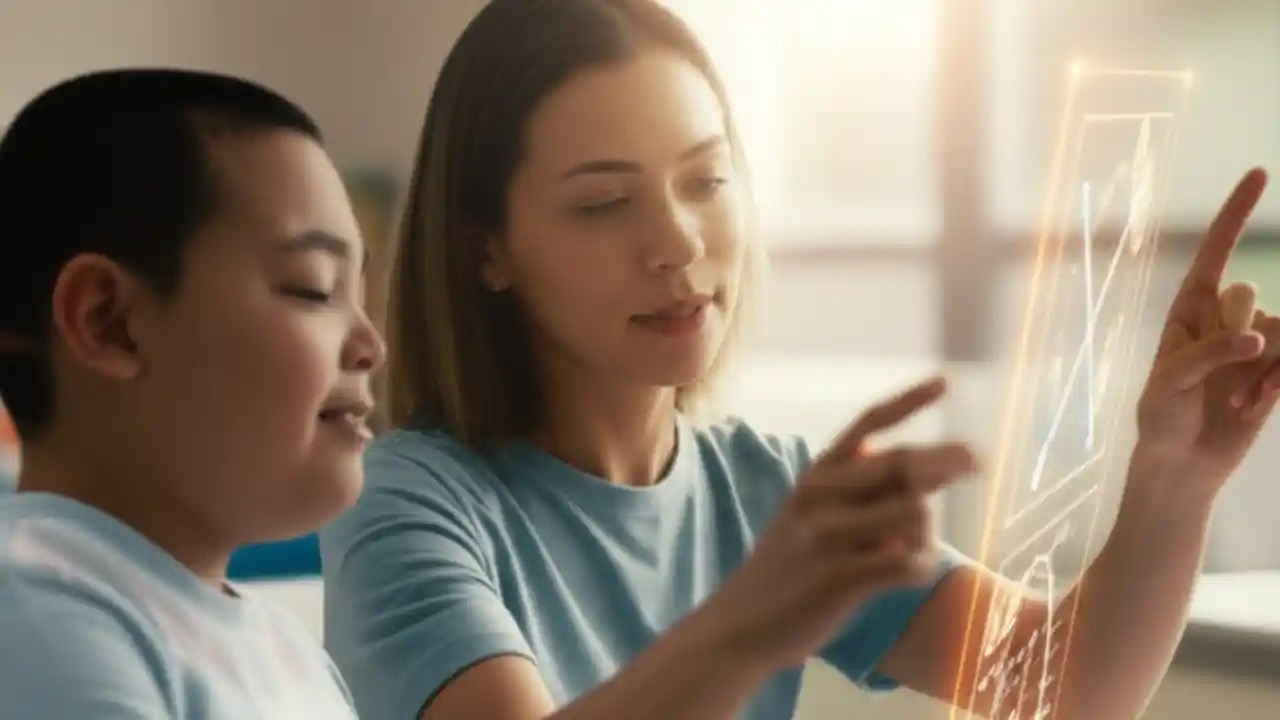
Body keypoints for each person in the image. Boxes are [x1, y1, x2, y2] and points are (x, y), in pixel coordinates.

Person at [319, 1, 1280, 718]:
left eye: (706, 180)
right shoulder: (406, 500)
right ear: (485, 248)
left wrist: (1174, 477)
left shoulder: (766, 486)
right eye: (605, 202)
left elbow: (1062, 686)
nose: (680, 243)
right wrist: (758, 614)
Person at [0, 69, 385, 719]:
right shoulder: (39, 606)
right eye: (314, 287)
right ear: (110, 323)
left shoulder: (288, 649)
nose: (371, 344)